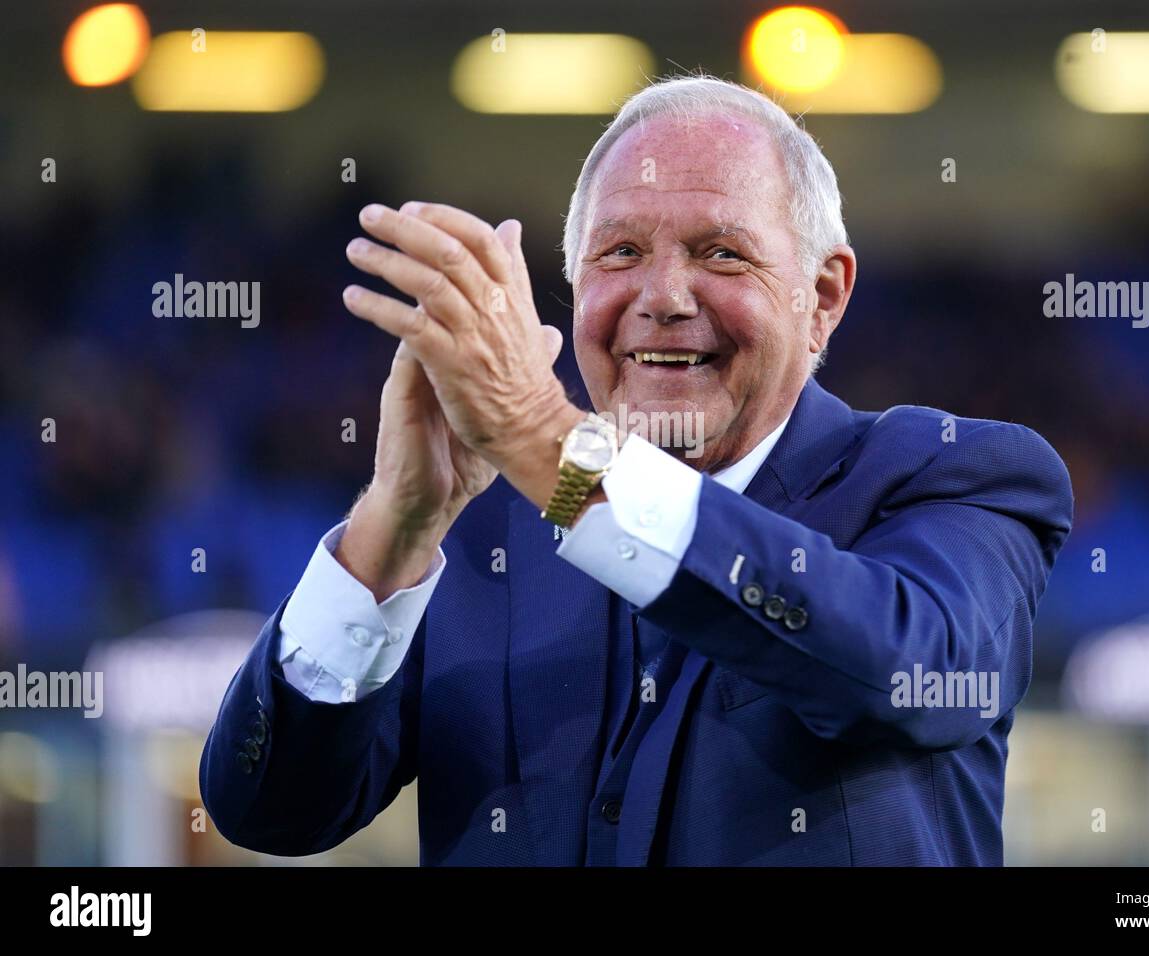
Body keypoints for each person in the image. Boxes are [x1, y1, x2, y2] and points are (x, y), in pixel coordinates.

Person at [200, 75, 1073, 865]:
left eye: (721, 253)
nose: (662, 296)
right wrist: (390, 533)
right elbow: (271, 812)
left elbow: (904, 673)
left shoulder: (955, 478)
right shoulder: (479, 543)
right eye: (619, 254)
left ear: (824, 297)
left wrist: (547, 443)